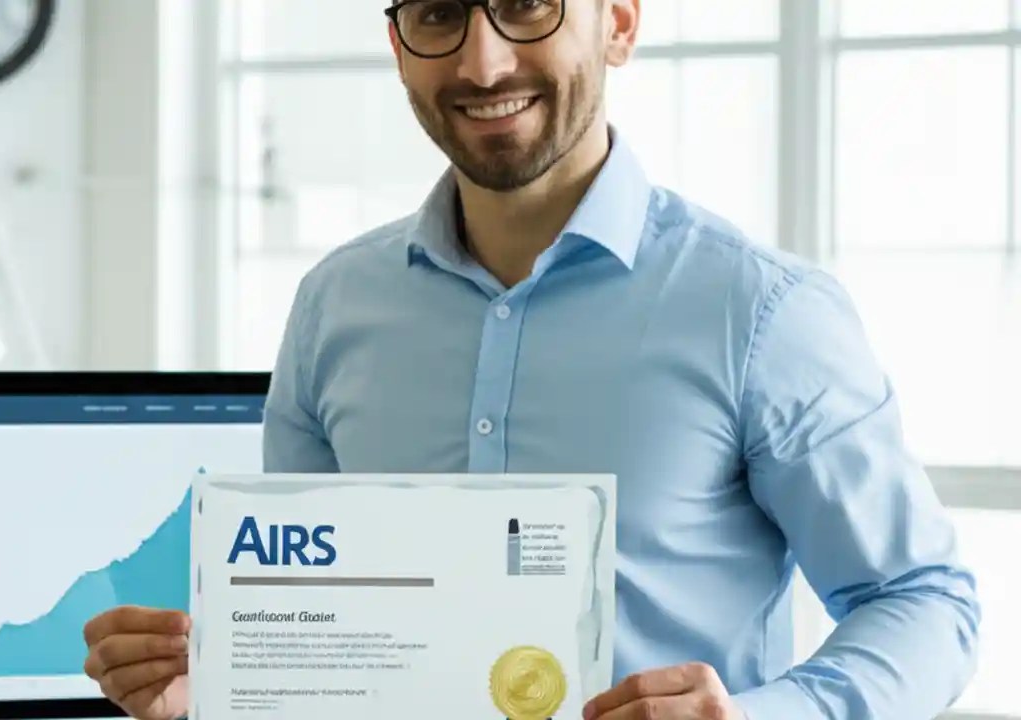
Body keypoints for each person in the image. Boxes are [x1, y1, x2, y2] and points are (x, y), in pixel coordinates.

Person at [82, 1, 982, 717]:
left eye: (527, 6)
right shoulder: (334, 307)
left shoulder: (760, 311)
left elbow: (926, 601)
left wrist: (760, 718)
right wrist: (227, 692)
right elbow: (319, 631)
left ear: (619, 24)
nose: (483, 63)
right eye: (440, 15)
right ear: (399, 45)